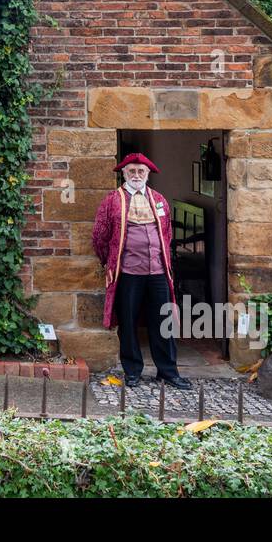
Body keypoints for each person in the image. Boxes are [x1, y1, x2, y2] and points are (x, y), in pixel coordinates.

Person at [91, 152, 192, 389]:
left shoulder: (159, 199)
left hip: (157, 271)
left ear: (147, 174)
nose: (136, 175)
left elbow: (166, 234)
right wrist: (109, 262)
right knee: (128, 322)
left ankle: (168, 371)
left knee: (162, 322)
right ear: (124, 174)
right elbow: (100, 236)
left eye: (141, 171)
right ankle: (133, 371)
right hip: (128, 272)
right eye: (132, 171)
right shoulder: (112, 200)